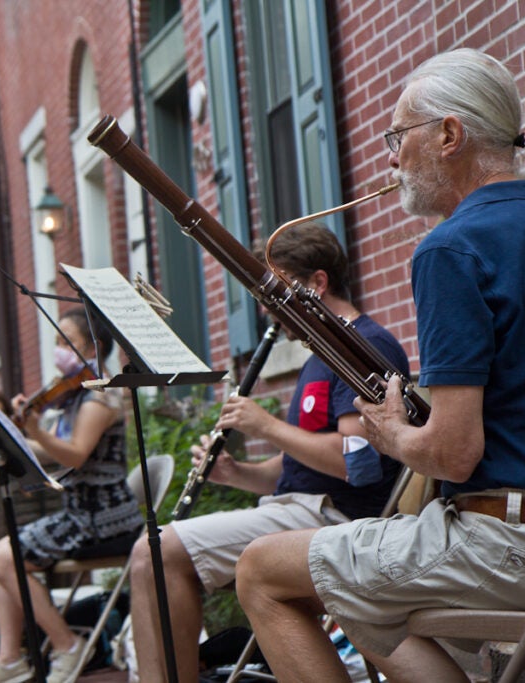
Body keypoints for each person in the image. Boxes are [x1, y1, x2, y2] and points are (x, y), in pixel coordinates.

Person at [236, 47, 525, 683]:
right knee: (356, 578)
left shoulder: (451, 248)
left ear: (449, 134)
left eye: (398, 136)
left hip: (523, 549)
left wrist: (391, 434)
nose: (391, 158)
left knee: (262, 569)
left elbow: (452, 455)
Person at [128, 222, 409, 681]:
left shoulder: (364, 345)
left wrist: (266, 425)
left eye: (277, 290)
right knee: (156, 554)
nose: (265, 307)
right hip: (303, 507)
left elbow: (351, 461)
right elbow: (301, 463)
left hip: (339, 517)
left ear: (317, 283)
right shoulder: (320, 352)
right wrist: (236, 472)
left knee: (155, 554)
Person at [0, 308, 143, 683]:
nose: (57, 350)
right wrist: (15, 440)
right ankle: (8, 658)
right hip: (79, 513)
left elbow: (75, 453)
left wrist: (37, 429)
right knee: (4, 556)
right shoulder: (73, 399)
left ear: (93, 347)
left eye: (64, 341)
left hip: (103, 518)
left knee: (5, 560)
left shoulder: (102, 397)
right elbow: (53, 451)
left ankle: (68, 646)